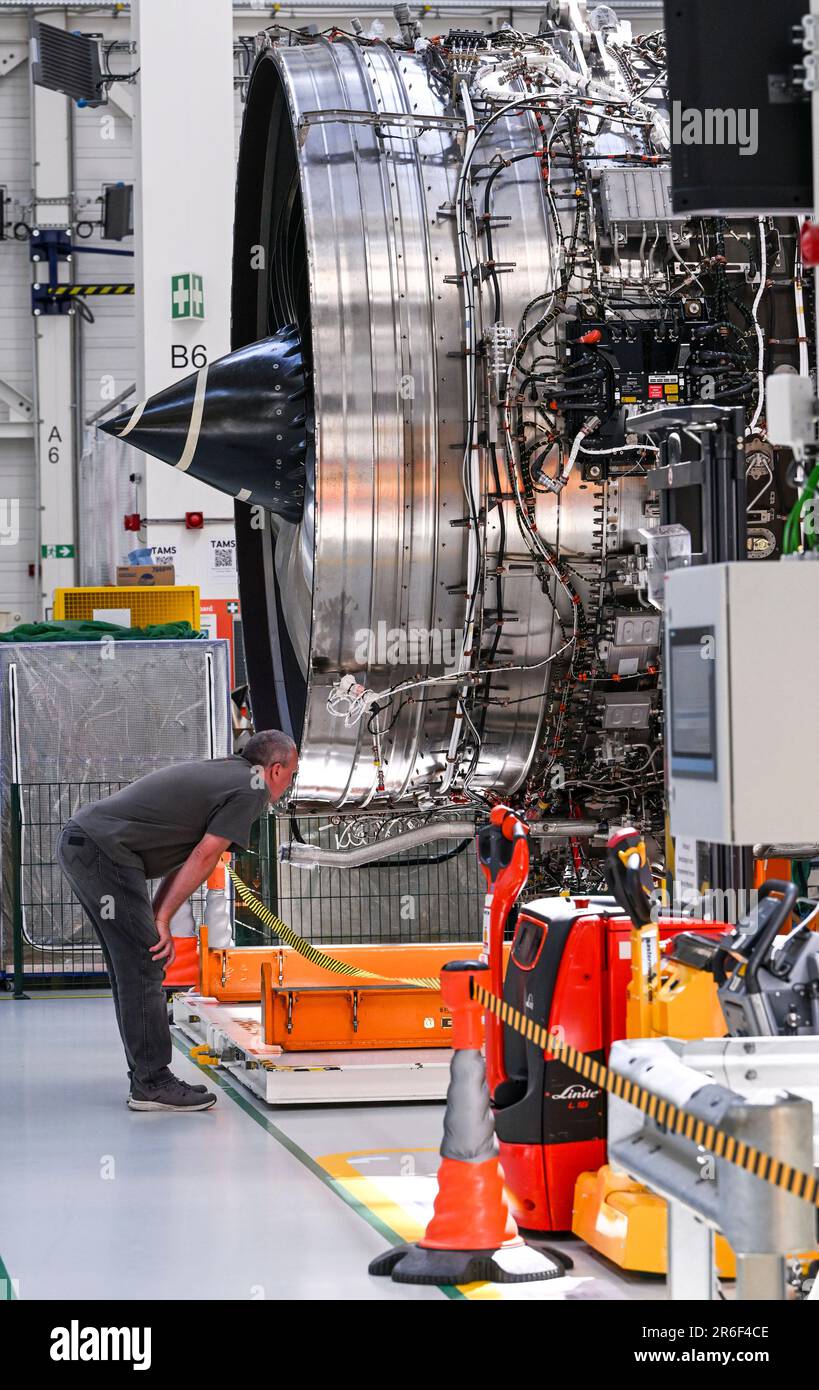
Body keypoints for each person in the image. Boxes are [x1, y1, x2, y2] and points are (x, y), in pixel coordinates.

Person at [57, 730, 298, 1112]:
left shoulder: (229, 775)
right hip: (104, 852)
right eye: (291, 775)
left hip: (87, 845)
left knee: (134, 964)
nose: (289, 785)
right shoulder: (251, 788)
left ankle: (145, 1076)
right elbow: (205, 856)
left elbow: (190, 857)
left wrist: (159, 915)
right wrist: (163, 919)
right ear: (275, 769)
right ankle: (152, 1083)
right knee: (144, 963)